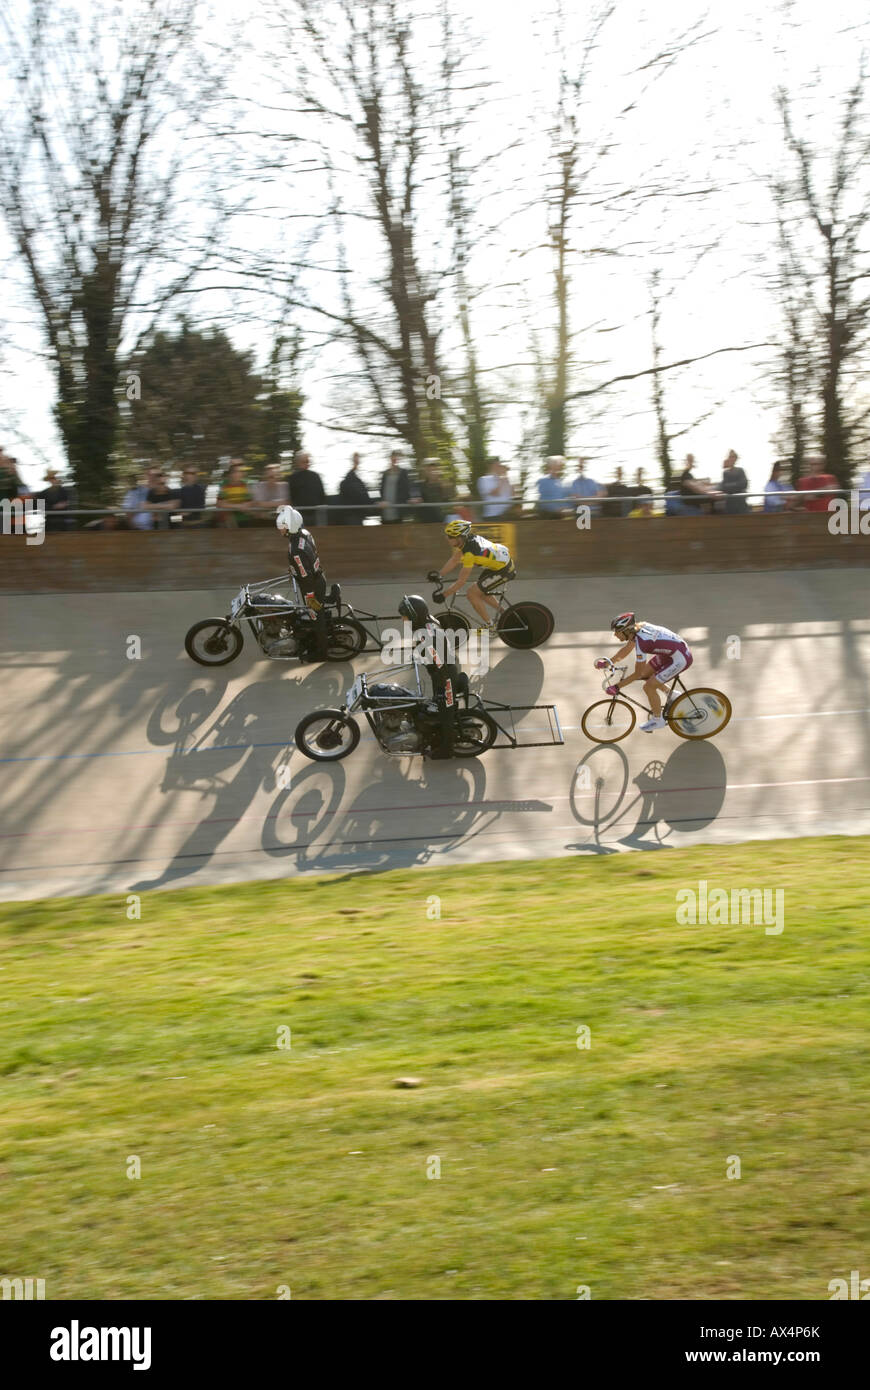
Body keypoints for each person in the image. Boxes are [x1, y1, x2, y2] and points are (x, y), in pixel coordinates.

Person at [595, 611, 693, 733]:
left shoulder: (642, 643)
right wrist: (609, 663)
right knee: (647, 674)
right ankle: (671, 694)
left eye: (617, 632)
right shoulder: (638, 629)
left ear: (627, 631)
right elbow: (626, 650)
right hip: (671, 652)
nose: (615, 635)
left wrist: (617, 686)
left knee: (649, 687)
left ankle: (658, 720)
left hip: (680, 658)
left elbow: (638, 674)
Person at [398, 593, 461, 760]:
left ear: (413, 615)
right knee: (434, 708)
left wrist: (442, 690)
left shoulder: (427, 634)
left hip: (444, 675)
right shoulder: (428, 622)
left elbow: (438, 661)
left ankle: (447, 750)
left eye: (405, 616)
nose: (403, 620)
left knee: (444, 711)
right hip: (441, 671)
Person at [276, 505, 330, 658]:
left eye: (282, 527)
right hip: (319, 577)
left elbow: (305, 576)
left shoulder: (295, 549)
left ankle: (321, 653)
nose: (280, 530)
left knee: (315, 616)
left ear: (289, 526)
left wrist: (310, 596)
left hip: (311, 585)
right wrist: (294, 569)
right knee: (314, 613)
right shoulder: (304, 533)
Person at [438, 518, 515, 625]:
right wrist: (439, 575)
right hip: (497, 565)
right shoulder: (468, 540)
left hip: (504, 570)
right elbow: (455, 560)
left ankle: (489, 625)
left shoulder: (470, 553)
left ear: (460, 537)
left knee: (472, 594)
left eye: (450, 536)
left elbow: (461, 581)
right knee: (481, 591)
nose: (447, 538)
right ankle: (506, 614)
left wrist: (444, 595)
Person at [287, 451, 327, 527]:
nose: (307, 464)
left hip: (316, 514)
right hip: (300, 514)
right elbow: (291, 497)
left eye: (308, 461)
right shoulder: (292, 478)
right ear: (298, 462)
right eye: (304, 462)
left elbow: (322, 494)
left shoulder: (315, 476)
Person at [217, 459, 255, 527]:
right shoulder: (224, 484)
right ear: (230, 473)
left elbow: (250, 503)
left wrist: (229, 505)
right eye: (234, 471)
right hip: (228, 521)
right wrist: (239, 506)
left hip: (244, 519)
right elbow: (220, 504)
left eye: (240, 471)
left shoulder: (246, 483)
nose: (237, 474)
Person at [338, 453, 373, 525]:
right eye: (355, 460)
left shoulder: (357, 479)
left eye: (357, 460)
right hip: (352, 514)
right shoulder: (350, 480)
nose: (357, 462)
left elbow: (363, 494)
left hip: (358, 513)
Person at [380, 450, 413, 523]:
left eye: (396, 457)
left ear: (399, 459)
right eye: (393, 457)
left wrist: (409, 499)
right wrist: (382, 501)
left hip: (398, 511)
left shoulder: (403, 472)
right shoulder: (385, 473)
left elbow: (407, 489)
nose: (394, 459)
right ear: (390, 458)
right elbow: (382, 490)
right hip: (385, 511)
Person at [416, 459, 450, 524]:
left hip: (442, 521)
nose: (432, 472)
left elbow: (449, 503)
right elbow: (417, 499)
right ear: (426, 472)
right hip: (425, 522)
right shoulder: (421, 485)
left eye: (434, 470)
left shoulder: (445, 485)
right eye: (430, 470)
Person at [719, 449, 749, 514]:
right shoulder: (725, 473)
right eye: (730, 457)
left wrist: (731, 486)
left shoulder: (740, 470)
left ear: (736, 459)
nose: (731, 459)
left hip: (740, 503)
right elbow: (724, 487)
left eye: (733, 457)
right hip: (730, 504)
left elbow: (744, 484)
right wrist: (735, 486)